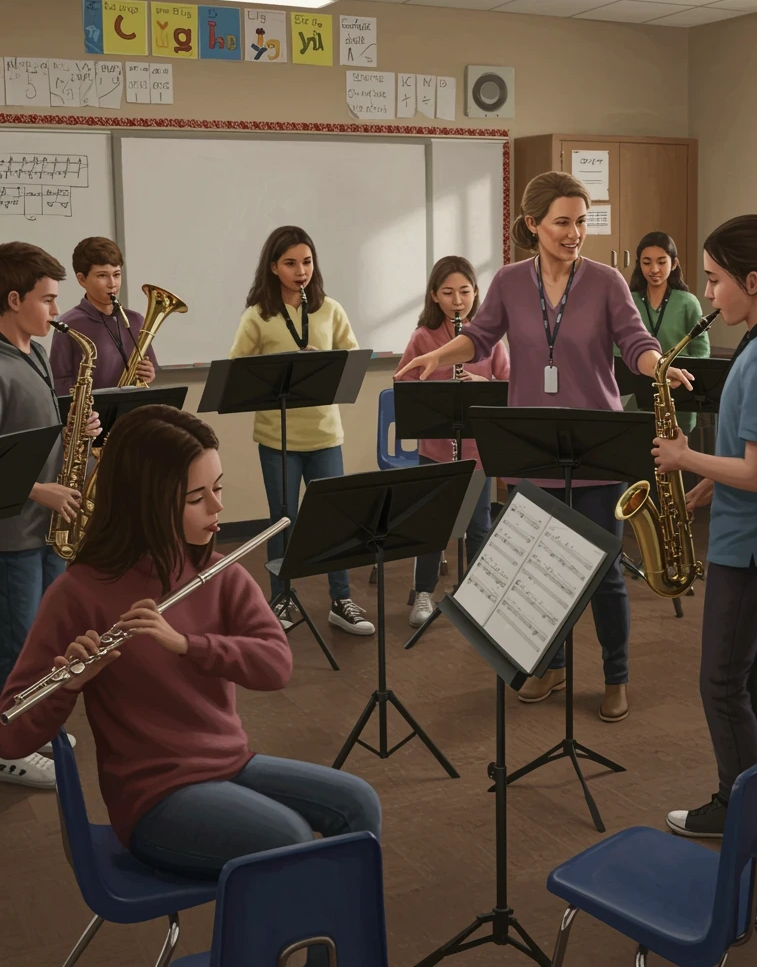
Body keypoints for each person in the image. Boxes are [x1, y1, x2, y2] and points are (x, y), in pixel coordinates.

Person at [0, 405, 381, 963]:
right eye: (197, 498)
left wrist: (188, 645)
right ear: (147, 501)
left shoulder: (218, 571)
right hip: (154, 799)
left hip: (231, 764)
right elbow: (10, 734)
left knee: (358, 805)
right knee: (290, 841)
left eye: (218, 489)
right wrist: (72, 682)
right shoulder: (80, 592)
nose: (220, 508)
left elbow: (276, 665)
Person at [394, 171, 688, 723]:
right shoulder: (508, 281)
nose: (575, 233)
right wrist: (439, 355)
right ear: (533, 225)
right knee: (539, 570)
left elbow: (634, 342)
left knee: (603, 573)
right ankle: (549, 667)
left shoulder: (605, 282)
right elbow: (479, 336)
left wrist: (657, 367)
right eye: (563, 222)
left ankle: (615, 675)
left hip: (599, 444)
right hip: (533, 447)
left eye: (582, 222)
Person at [651, 214, 757, 858]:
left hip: (754, 546)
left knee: (724, 686)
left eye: (716, 279)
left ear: (753, 281)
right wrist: (712, 484)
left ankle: (744, 816)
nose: (709, 291)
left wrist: (687, 459)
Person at [229, 225, 373, 636]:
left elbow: (352, 359)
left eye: (306, 262)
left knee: (335, 519)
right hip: (278, 437)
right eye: (290, 263)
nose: (300, 271)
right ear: (273, 267)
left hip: (326, 433)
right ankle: (281, 598)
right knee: (283, 520)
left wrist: (322, 362)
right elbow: (239, 369)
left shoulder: (330, 309)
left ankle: (340, 599)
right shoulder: (258, 314)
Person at [0, 241, 100, 789]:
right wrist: (43, 491)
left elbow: (29, 436)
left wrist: (73, 432)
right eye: (47, 299)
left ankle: (34, 724)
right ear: (14, 299)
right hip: (13, 532)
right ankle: (7, 745)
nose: (57, 312)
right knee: (16, 644)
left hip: (46, 529)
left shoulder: (35, 352)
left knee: (46, 636)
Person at [397, 256, 510, 628]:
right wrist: (441, 392)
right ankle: (424, 593)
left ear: (476, 293)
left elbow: (509, 386)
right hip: (436, 450)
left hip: (477, 450)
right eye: (448, 292)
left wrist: (482, 386)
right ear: (434, 296)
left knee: (479, 525)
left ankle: (475, 593)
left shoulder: (488, 336)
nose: (457, 300)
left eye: (464, 291)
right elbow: (405, 388)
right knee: (433, 525)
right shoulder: (422, 338)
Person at [626, 231, 710, 436]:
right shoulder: (628, 300)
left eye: (661, 262)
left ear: (673, 264)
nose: (654, 269)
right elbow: (618, 348)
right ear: (639, 264)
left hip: (677, 396)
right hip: (635, 397)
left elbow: (701, 353)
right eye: (647, 262)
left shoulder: (688, 302)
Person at [50, 236, 157, 395]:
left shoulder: (135, 320)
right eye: (102, 275)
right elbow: (60, 383)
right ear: (82, 279)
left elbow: (149, 369)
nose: (112, 283)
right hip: (93, 417)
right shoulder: (67, 324)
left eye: (117, 274)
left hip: (133, 414)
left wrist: (149, 373)